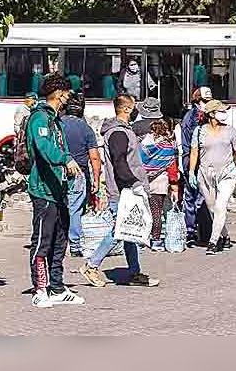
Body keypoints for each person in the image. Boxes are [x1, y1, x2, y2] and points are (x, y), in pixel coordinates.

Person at [80, 94, 161, 288]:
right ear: (125, 109)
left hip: (127, 189)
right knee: (120, 230)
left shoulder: (123, 130)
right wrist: (134, 183)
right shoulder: (118, 133)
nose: (135, 111)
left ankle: (134, 271)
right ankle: (91, 265)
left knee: (129, 231)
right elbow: (119, 162)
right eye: (133, 108)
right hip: (124, 191)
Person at [24, 73, 84, 308]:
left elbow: (61, 148)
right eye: (67, 94)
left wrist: (69, 169)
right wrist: (64, 159)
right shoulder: (39, 118)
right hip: (43, 190)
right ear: (59, 94)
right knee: (42, 241)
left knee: (60, 241)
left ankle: (57, 288)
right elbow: (43, 147)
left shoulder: (56, 121)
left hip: (59, 191)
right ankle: (40, 289)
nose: (69, 98)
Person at [189, 99, 236, 255]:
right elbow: (194, 153)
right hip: (205, 174)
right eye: (220, 111)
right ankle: (225, 235)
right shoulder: (199, 132)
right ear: (211, 114)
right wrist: (191, 172)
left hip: (227, 174)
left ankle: (213, 241)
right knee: (212, 208)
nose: (224, 114)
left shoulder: (230, 131)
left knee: (220, 206)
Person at [58, 93, 101, 258]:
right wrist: (96, 180)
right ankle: (74, 245)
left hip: (58, 170)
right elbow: (95, 157)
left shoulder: (58, 124)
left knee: (60, 207)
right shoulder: (86, 128)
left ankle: (58, 243)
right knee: (75, 209)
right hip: (78, 173)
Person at [138, 119, 180, 250]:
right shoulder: (167, 146)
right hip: (160, 183)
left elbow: (138, 161)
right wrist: (174, 186)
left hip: (142, 181)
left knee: (143, 212)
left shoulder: (144, 143)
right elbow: (171, 167)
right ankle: (155, 240)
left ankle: (141, 238)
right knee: (156, 213)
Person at [180, 86, 213, 243]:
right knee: (196, 199)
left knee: (199, 198)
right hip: (193, 164)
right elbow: (192, 147)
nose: (207, 104)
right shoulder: (192, 118)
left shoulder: (205, 116)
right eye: (205, 101)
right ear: (197, 101)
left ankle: (196, 231)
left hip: (201, 163)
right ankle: (192, 231)